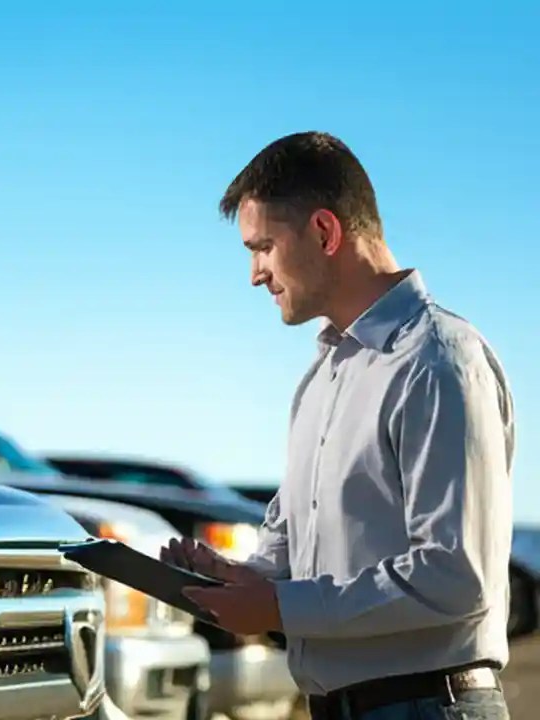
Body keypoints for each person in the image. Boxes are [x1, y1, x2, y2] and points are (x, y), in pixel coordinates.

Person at [161, 131, 515, 719]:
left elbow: (455, 576)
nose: (255, 273)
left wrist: (278, 607)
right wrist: (237, 580)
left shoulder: (438, 361)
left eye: (264, 246)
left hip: (429, 707)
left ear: (325, 232)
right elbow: (295, 539)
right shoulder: (323, 374)